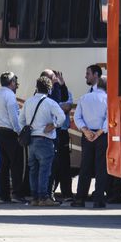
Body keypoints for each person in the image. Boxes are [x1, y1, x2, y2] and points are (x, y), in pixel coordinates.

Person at [19, 75, 66, 207]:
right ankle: (44, 197)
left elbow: (20, 120)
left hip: (31, 141)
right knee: (45, 170)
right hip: (45, 140)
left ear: (36, 88)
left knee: (33, 169)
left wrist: (29, 128)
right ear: (49, 89)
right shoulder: (50, 103)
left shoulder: (28, 102)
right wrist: (54, 125)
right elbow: (61, 117)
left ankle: (34, 198)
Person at [73, 67, 109, 208]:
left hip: (86, 136)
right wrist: (99, 132)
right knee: (101, 168)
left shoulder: (84, 98)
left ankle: (80, 199)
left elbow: (77, 117)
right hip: (101, 136)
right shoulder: (107, 99)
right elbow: (108, 119)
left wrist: (86, 130)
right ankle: (99, 199)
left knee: (85, 167)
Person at [0, 71, 27, 203]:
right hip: (11, 133)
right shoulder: (10, 96)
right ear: (11, 83)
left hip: (0, 132)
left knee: (3, 165)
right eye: (16, 83)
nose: (17, 85)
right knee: (16, 165)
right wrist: (19, 132)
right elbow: (13, 117)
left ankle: (3, 195)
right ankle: (17, 194)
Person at [43, 68, 74, 203]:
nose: (55, 80)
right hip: (52, 132)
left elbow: (68, 106)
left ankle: (67, 193)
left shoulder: (63, 91)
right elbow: (60, 107)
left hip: (61, 132)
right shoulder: (44, 94)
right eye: (52, 78)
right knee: (52, 164)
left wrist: (61, 86)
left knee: (64, 164)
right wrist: (58, 108)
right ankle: (49, 193)